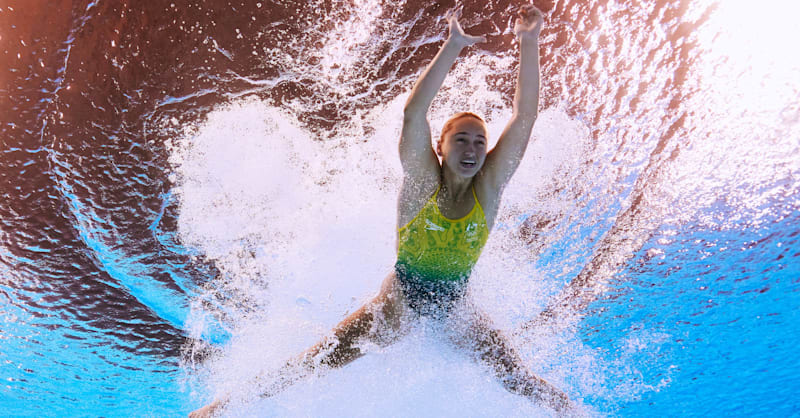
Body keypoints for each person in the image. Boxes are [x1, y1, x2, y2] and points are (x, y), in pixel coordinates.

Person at [191, 4, 573, 416]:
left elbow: (525, 116)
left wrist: (529, 41)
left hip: (456, 311)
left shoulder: (490, 188)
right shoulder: (423, 182)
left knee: (518, 377)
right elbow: (414, 114)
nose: (472, 149)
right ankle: (219, 409)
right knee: (313, 363)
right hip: (397, 306)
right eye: (460, 140)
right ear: (440, 148)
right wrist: (453, 45)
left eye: (480, 141)